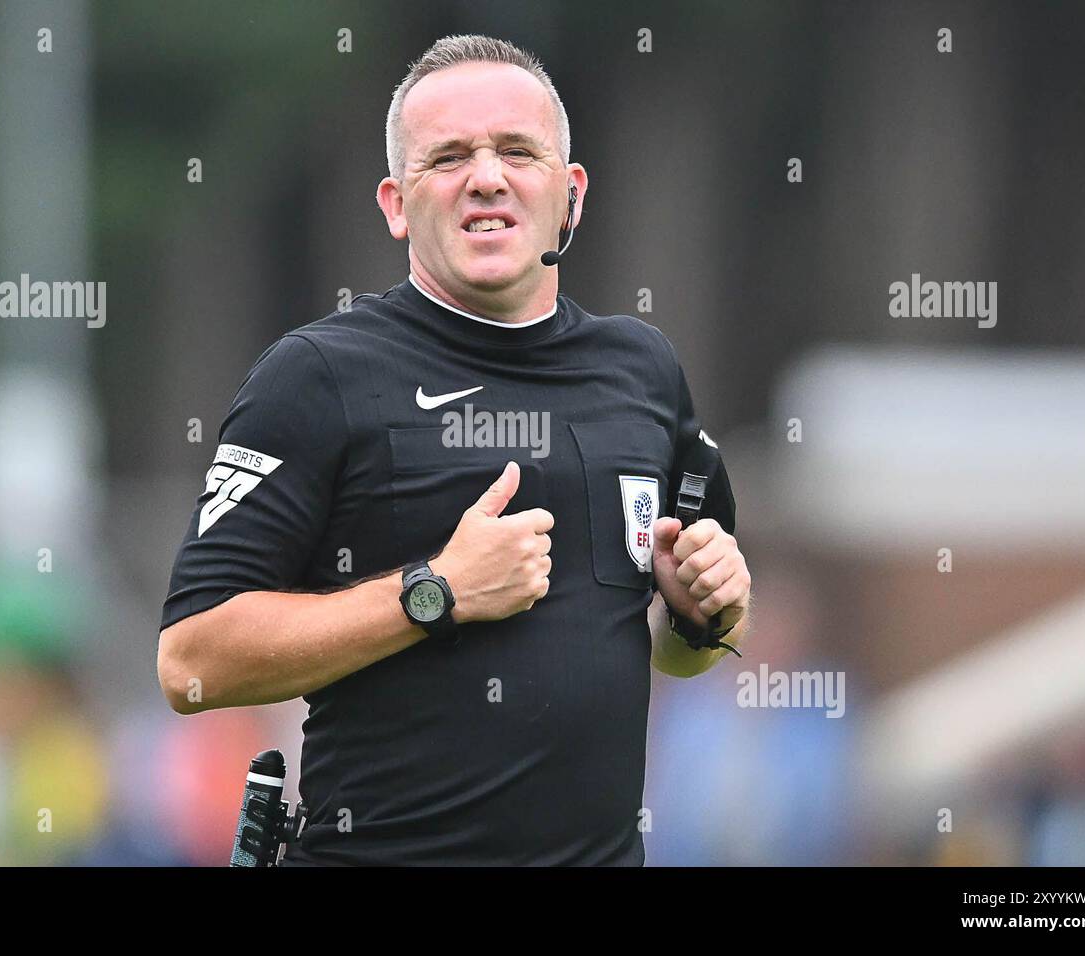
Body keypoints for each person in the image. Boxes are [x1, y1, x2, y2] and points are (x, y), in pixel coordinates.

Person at [157, 34, 751, 866]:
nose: (487, 176)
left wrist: (702, 614)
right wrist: (432, 593)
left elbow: (671, 650)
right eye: (449, 157)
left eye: (517, 150)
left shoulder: (643, 369)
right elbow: (190, 662)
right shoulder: (318, 376)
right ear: (397, 203)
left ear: (570, 194)